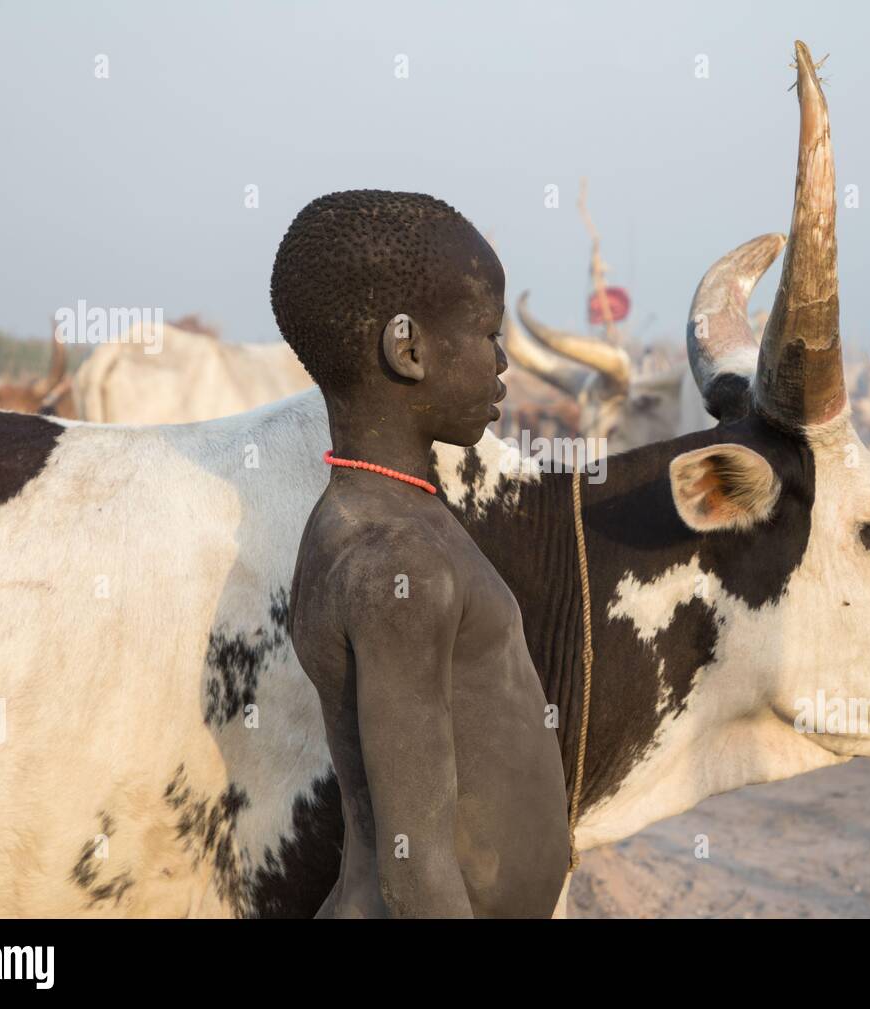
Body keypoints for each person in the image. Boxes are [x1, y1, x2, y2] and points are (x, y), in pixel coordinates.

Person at [271, 190, 570, 917]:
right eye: (485, 333)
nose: (503, 361)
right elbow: (416, 866)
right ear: (407, 349)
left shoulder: (375, 513)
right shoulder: (396, 559)